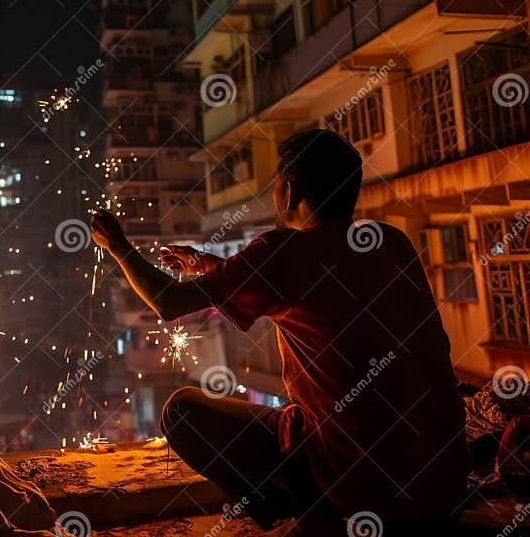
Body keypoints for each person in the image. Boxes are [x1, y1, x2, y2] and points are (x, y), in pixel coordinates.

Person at [90, 129, 470, 535]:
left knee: (182, 412)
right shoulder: (391, 242)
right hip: (445, 478)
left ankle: (314, 517)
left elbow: (168, 303)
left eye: (275, 185)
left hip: (366, 489)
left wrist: (117, 245)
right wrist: (206, 265)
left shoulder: (285, 250)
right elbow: (295, 282)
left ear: (287, 193)